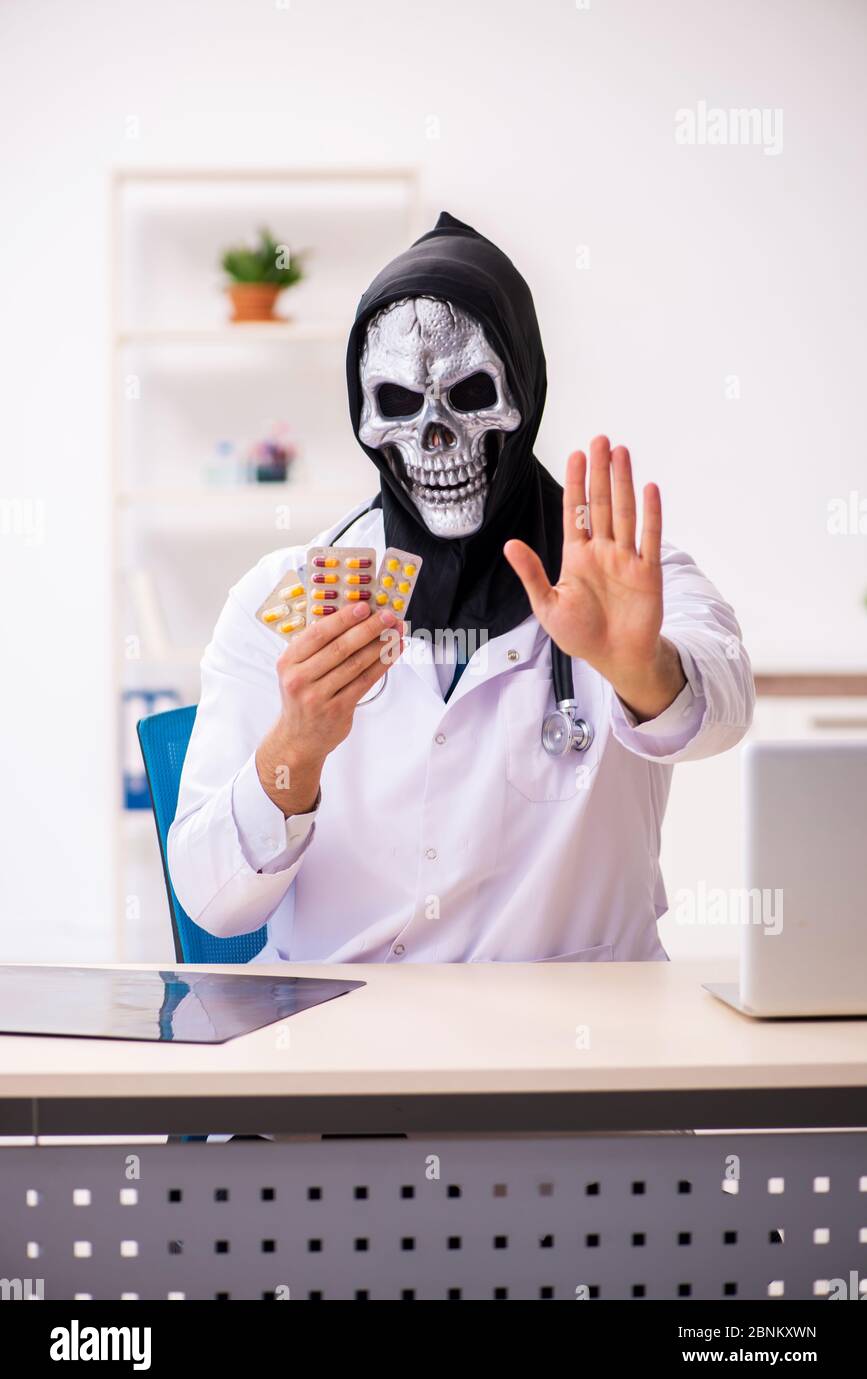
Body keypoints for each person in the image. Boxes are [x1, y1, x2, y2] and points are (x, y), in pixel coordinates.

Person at [168, 212, 754, 965]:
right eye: (399, 405)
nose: (435, 437)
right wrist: (295, 750)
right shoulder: (279, 596)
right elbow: (212, 905)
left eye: (471, 392)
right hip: (339, 1038)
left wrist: (639, 669)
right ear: (364, 417)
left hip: (576, 1044)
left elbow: (721, 715)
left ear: (524, 386)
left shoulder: (622, 578)